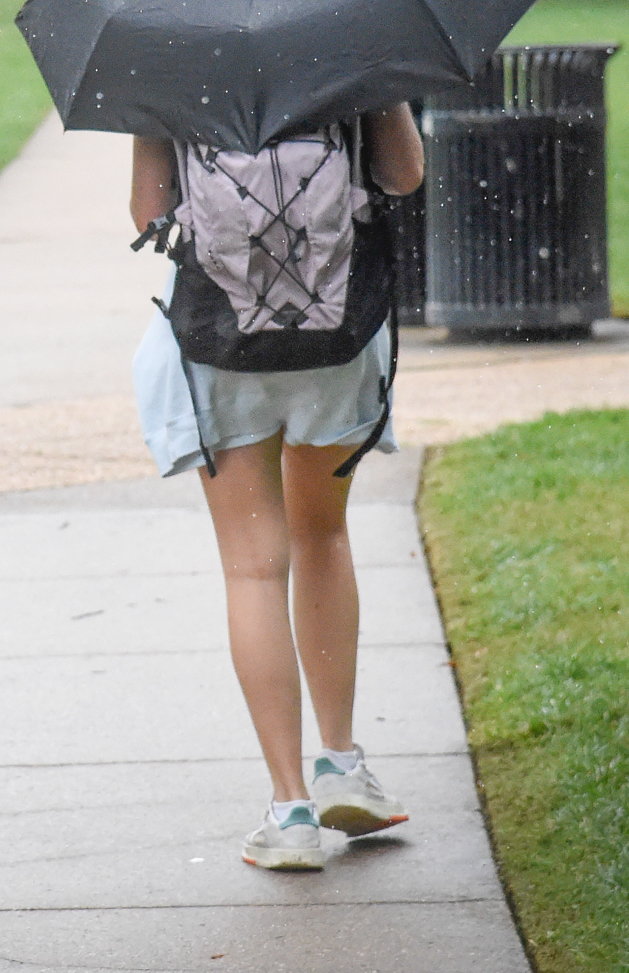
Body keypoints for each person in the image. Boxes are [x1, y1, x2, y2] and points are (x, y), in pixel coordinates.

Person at [128, 106, 425, 871]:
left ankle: (290, 807)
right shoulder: (350, 28)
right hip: (336, 334)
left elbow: (147, 210)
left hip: (218, 335)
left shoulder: (171, 46)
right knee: (322, 534)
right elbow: (403, 175)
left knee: (254, 566)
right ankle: (340, 761)